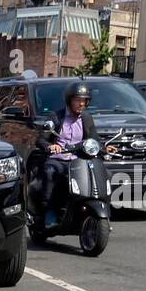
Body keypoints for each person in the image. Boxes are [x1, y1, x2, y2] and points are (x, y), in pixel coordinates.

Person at [32, 81, 98, 226]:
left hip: (79, 160)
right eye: (78, 100)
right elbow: (41, 140)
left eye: (84, 101)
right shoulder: (55, 116)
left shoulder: (87, 118)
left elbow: (93, 139)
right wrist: (51, 146)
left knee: (101, 173)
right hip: (58, 159)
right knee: (50, 172)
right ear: (69, 100)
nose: (82, 104)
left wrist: (105, 148)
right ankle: (49, 210)